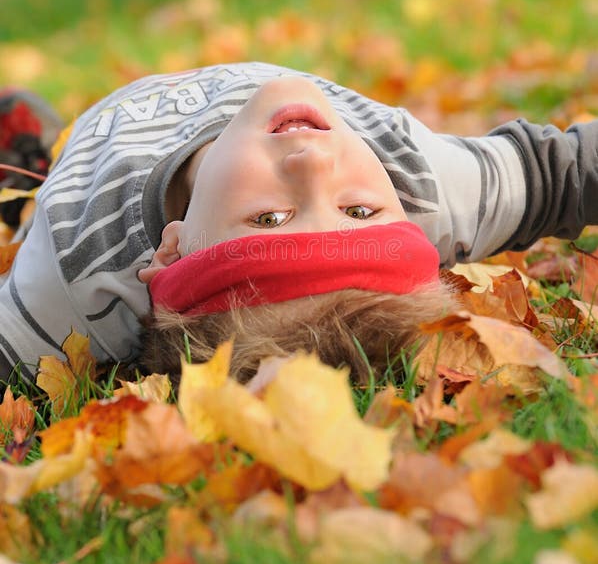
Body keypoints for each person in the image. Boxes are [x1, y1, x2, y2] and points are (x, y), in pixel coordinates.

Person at [0, 61, 596, 385]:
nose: (314, 163)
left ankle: (26, 167)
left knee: (23, 205)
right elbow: (566, 173)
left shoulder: (75, 284)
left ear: (171, 251)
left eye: (269, 218)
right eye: (358, 212)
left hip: (87, 171)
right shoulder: (423, 184)